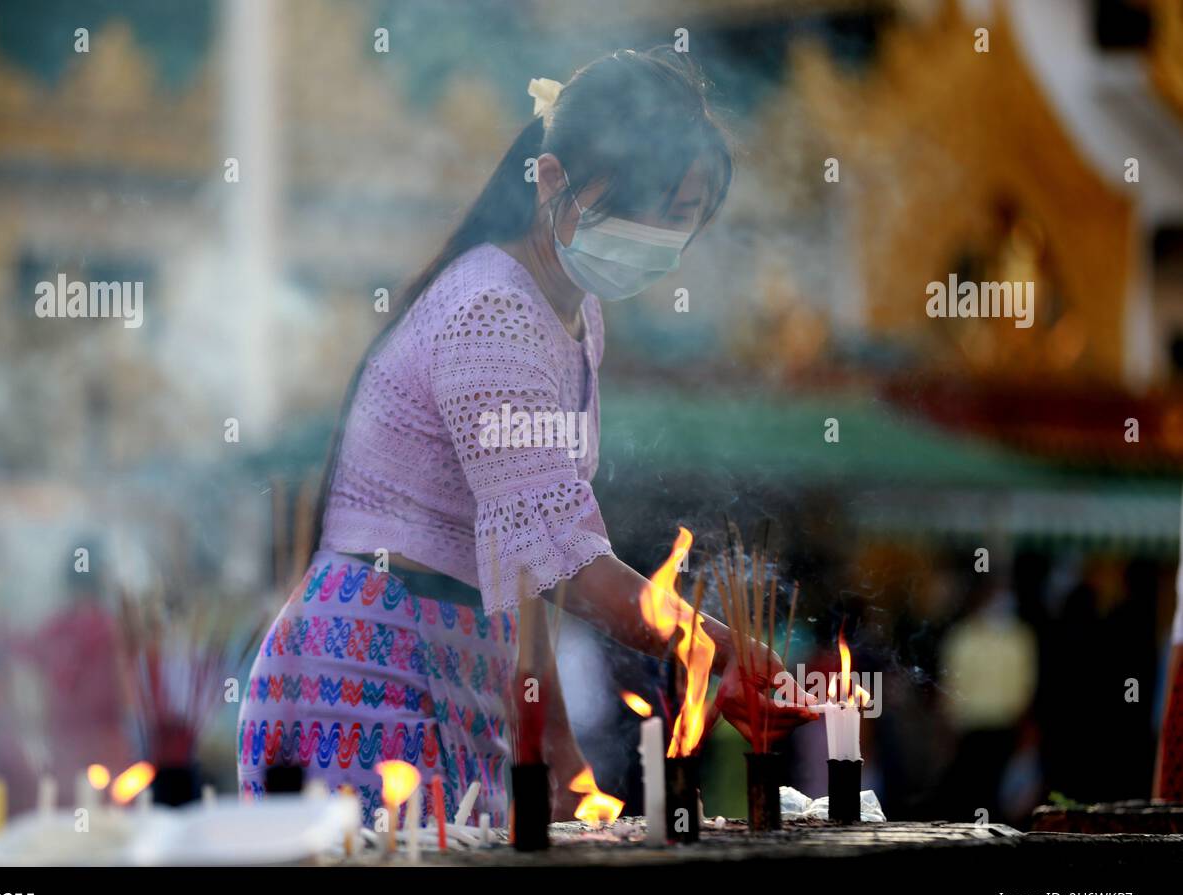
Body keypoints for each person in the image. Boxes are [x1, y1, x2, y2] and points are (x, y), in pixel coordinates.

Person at [237, 48, 815, 827]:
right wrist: (715, 645)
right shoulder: (493, 312)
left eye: (684, 217)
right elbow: (566, 559)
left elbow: (526, 564)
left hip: (465, 663)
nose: (661, 236)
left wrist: (558, 745)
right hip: (365, 667)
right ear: (550, 182)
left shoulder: (577, 316)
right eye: (644, 206)